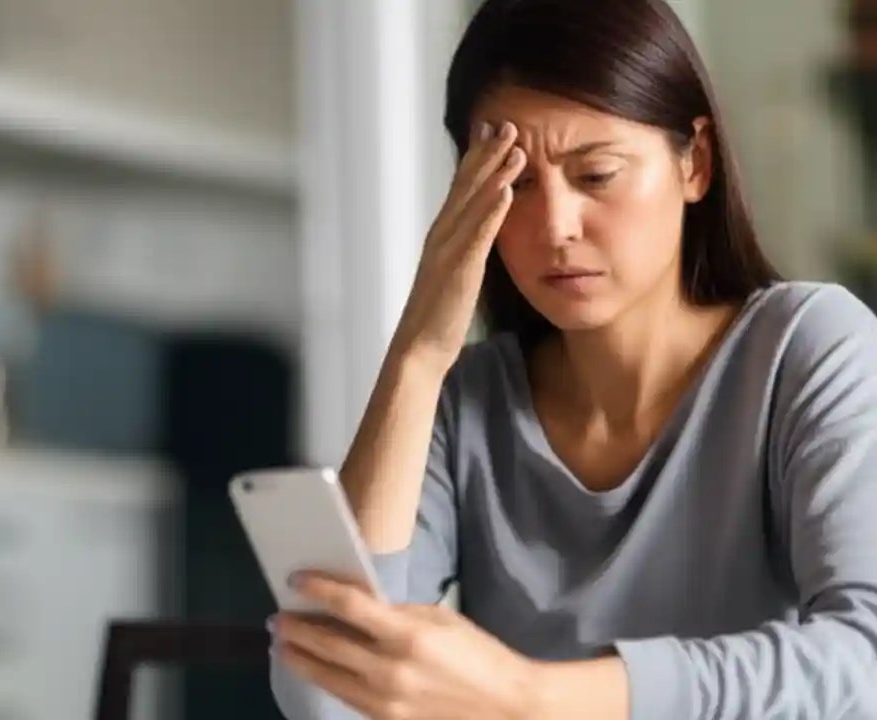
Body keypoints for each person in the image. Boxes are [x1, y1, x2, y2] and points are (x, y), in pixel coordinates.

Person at [267, 0, 877, 718]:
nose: (555, 226)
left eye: (596, 176)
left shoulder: (810, 349)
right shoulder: (468, 401)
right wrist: (418, 354)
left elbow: (862, 661)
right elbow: (323, 696)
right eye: (515, 184)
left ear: (696, 162)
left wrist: (533, 696)